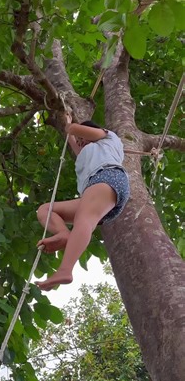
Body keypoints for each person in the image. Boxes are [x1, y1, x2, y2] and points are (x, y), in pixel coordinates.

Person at [35, 112, 130, 291]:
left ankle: (65, 270)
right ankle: (63, 233)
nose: (80, 143)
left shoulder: (107, 137)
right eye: (79, 142)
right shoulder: (86, 153)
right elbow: (73, 140)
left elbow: (73, 130)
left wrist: (70, 124)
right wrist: (70, 130)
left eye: (83, 139)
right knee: (46, 210)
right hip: (97, 189)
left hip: (108, 178)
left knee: (83, 220)